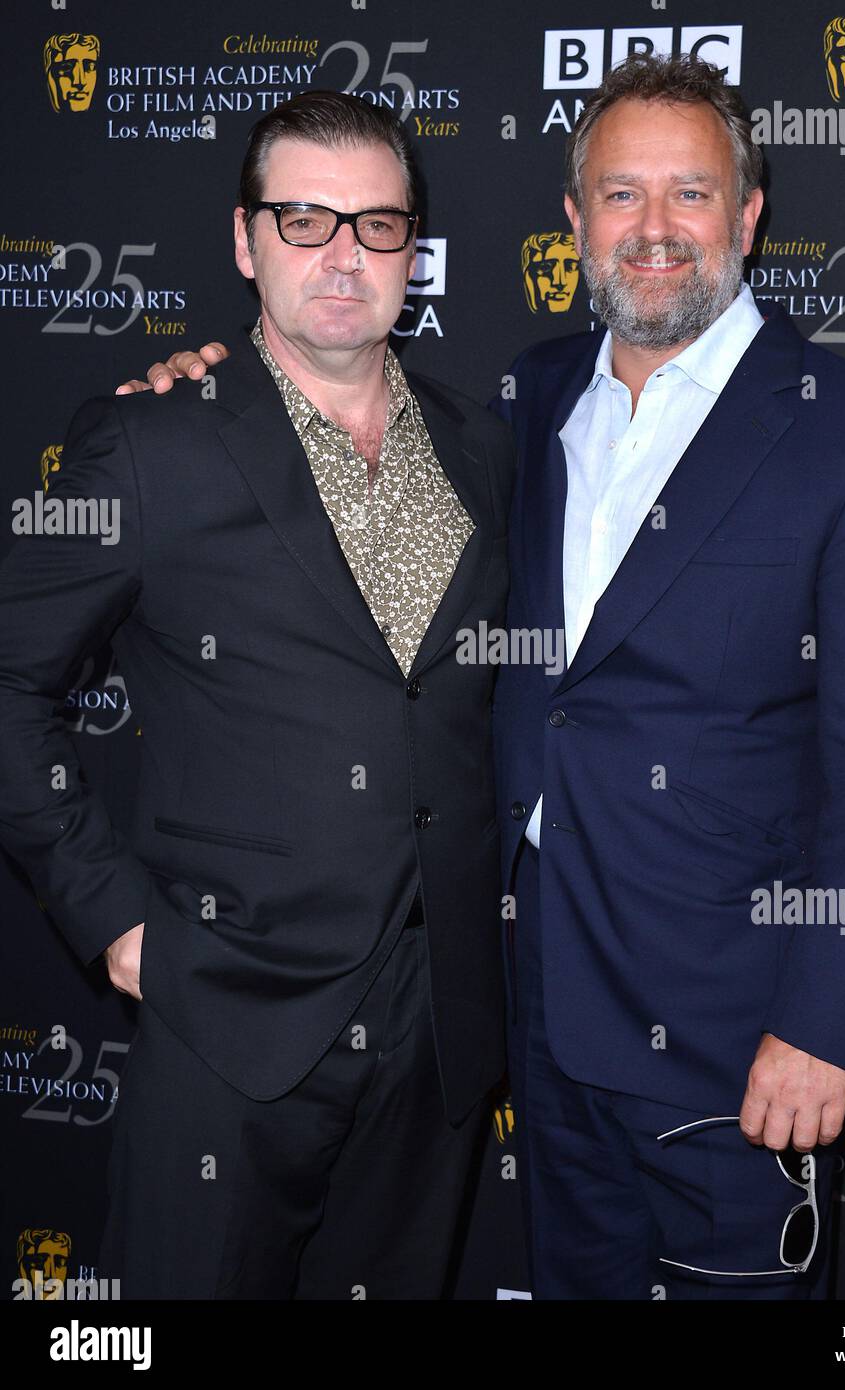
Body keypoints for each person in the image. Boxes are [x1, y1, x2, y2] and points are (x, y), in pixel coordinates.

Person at [121, 53, 845, 1302]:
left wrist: (826, 1026)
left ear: (748, 214)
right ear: (573, 222)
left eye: (691, 192)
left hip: (738, 1041)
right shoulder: (522, 399)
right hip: (531, 1018)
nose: (656, 229)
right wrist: (200, 383)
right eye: (621, 194)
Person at [0, 90, 514, 1299]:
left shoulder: (483, 447)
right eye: (304, 219)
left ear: (416, 250)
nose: (344, 254)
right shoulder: (153, 443)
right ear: (245, 242)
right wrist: (115, 921)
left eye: (378, 224)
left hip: (436, 1029)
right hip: (227, 1011)